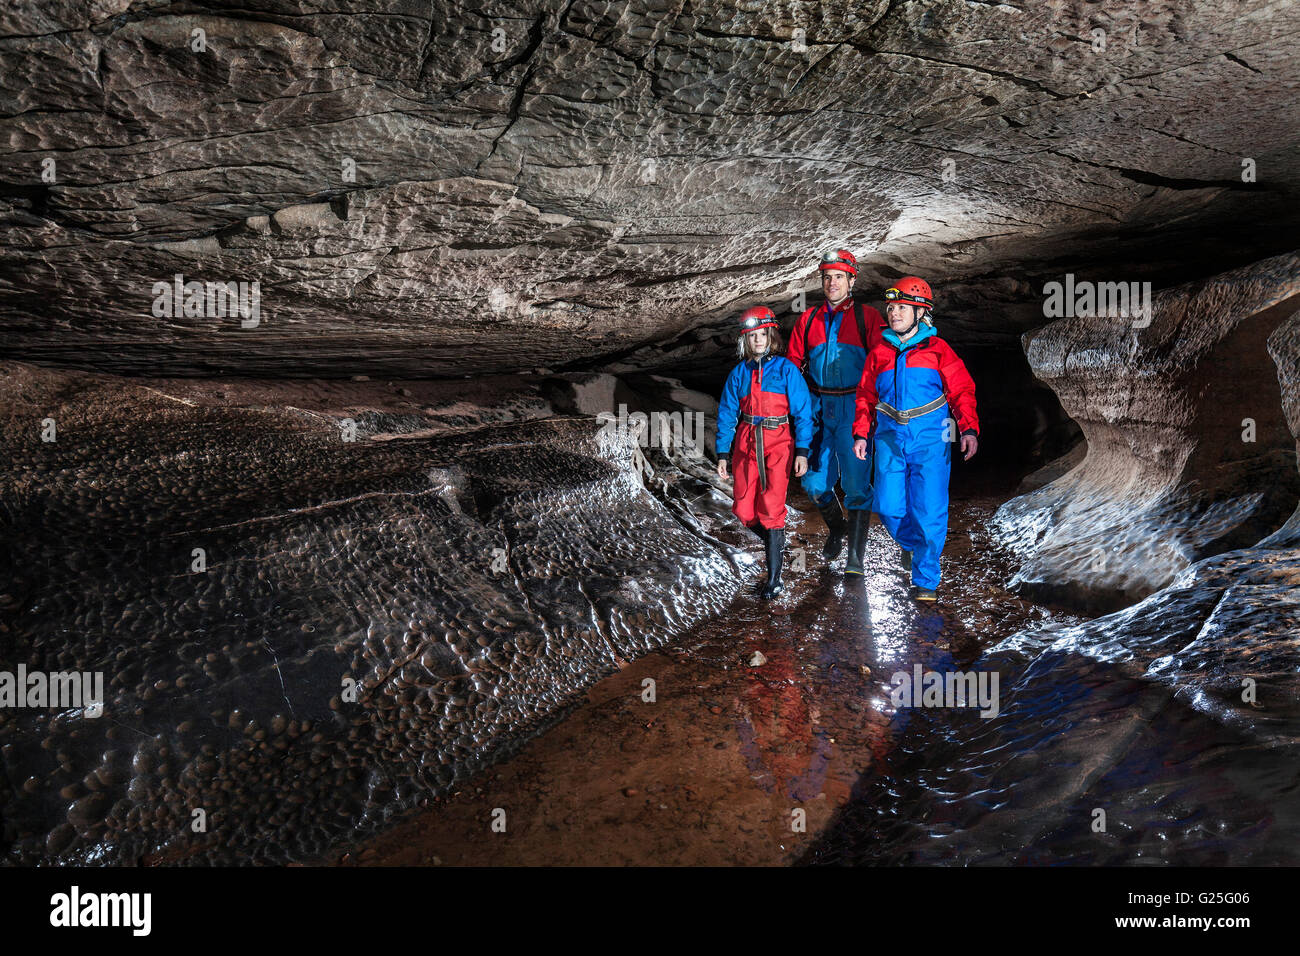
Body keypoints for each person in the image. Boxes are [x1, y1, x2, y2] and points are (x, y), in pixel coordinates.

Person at [852, 276, 978, 601]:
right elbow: (865, 395)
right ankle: (914, 544)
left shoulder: (938, 350)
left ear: (920, 312)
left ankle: (926, 581)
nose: (893, 313)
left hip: (931, 438)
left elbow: (961, 390)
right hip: (890, 437)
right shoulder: (879, 352)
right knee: (889, 508)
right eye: (891, 307)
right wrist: (861, 433)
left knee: (928, 509)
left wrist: (968, 428)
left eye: (902, 307)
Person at [786, 249, 885, 575]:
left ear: (851, 279)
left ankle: (855, 559)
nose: (832, 282)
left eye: (839, 276)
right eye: (827, 277)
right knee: (814, 485)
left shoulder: (868, 318)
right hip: (818, 408)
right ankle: (837, 528)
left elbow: (884, 365)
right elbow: (791, 369)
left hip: (854, 407)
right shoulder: (808, 319)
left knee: (856, 485)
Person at [716, 307, 814, 599]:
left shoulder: (786, 370)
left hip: (778, 440)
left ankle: (775, 579)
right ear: (746, 340)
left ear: (771, 336)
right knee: (743, 510)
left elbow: (804, 413)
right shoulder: (739, 373)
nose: (758, 340)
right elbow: (726, 414)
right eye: (752, 336)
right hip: (746, 439)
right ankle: (778, 543)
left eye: (762, 334)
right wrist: (723, 453)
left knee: (771, 509)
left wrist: (802, 451)